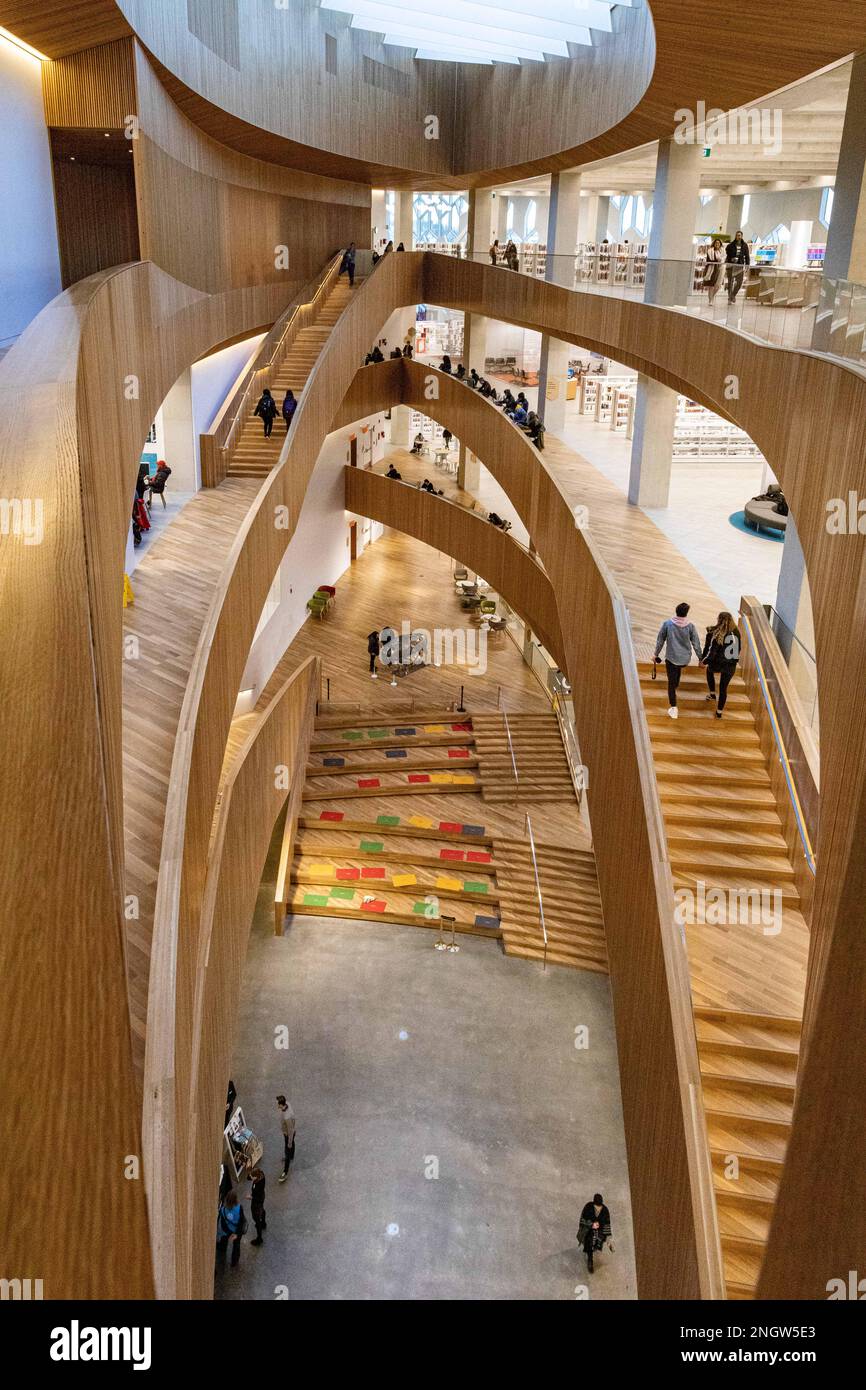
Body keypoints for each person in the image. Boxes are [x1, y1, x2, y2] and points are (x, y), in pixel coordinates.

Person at [654, 601, 703, 719]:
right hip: (684, 659)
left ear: (676, 611)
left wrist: (655, 654)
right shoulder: (690, 626)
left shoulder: (667, 624)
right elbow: (696, 643)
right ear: (686, 613)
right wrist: (701, 659)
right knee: (676, 677)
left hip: (671, 657)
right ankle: (675, 688)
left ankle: (674, 707)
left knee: (671, 683)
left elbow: (660, 640)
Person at [701, 611, 742, 719]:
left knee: (709, 671)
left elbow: (712, 654)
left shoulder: (719, 633)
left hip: (719, 663)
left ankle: (712, 693)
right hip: (731, 665)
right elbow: (739, 649)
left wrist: (704, 661)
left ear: (719, 620)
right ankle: (719, 712)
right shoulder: (737, 632)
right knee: (723, 689)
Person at [577, 1193, 612, 1274]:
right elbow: (582, 1220)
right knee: (589, 1244)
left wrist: (608, 1239)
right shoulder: (588, 1207)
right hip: (588, 1231)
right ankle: (590, 1260)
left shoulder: (605, 1210)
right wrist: (591, 1225)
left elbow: (607, 1224)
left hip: (599, 1232)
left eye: (599, 1207)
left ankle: (594, 1248)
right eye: (596, 1207)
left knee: (596, 1243)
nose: (598, 1209)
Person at [216, 1189, 246, 1268]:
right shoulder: (239, 1208)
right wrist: (236, 1234)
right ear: (235, 1199)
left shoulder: (223, 1209)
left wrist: (229, 1234)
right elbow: (241, 1221)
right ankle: (234, 1262)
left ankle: (222, 1250)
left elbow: (223, 1224)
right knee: (236, 1246)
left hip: (228, 1230)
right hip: (237, 1230)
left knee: (224, 1240)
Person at [725, 230, 750, 303]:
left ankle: (733, 295)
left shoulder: (745, 245)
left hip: (740, 265)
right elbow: (728, 255)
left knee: (739, 282)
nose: (738, 237)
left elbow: (747, 256)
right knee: (730, 282)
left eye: (739, 235)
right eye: (737, 235)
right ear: (735, 236)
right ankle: (729, 298)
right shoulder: (730, 245)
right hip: (731, 266)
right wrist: (731, 258)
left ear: (742, 236)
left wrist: (747, 265)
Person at [277, 1095, 296, 1182]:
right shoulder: (287, 1103)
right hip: (288, 1132)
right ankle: (291, 1155)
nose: (277, 1105)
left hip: (289, 1135)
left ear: (281, 1104)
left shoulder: (287, 1117)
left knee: (287, 1151)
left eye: (278, 1104)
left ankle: (285, 1172)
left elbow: (291, 1131)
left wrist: (289, 1143)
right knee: (291, 1146)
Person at [703, 238, 725, 307]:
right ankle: (710, 300)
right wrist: (717, 260)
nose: (717, 244)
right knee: (711, 286)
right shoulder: (710, 251)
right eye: (716, 243)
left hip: (720, 269)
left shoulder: (722, 252)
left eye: (718, 243)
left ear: (720, 244)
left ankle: (711, 297)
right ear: (714, 244)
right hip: (712, 269)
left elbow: (723, 259)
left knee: (718, 286)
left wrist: (720, 261)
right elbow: (709, 260)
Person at [249, 1168, 267, 1246]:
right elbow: (249, 1177)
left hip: (257, 1201)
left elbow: (258, 1198)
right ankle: (263, 1223)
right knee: (262, 1210)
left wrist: (251, 1197)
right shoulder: (261, 1174)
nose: (250, 1178)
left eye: (252, 1177)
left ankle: (259, 1238)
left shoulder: (258, 1185)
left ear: (256, 1177)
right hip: (261, 1198)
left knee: (256, 1218)